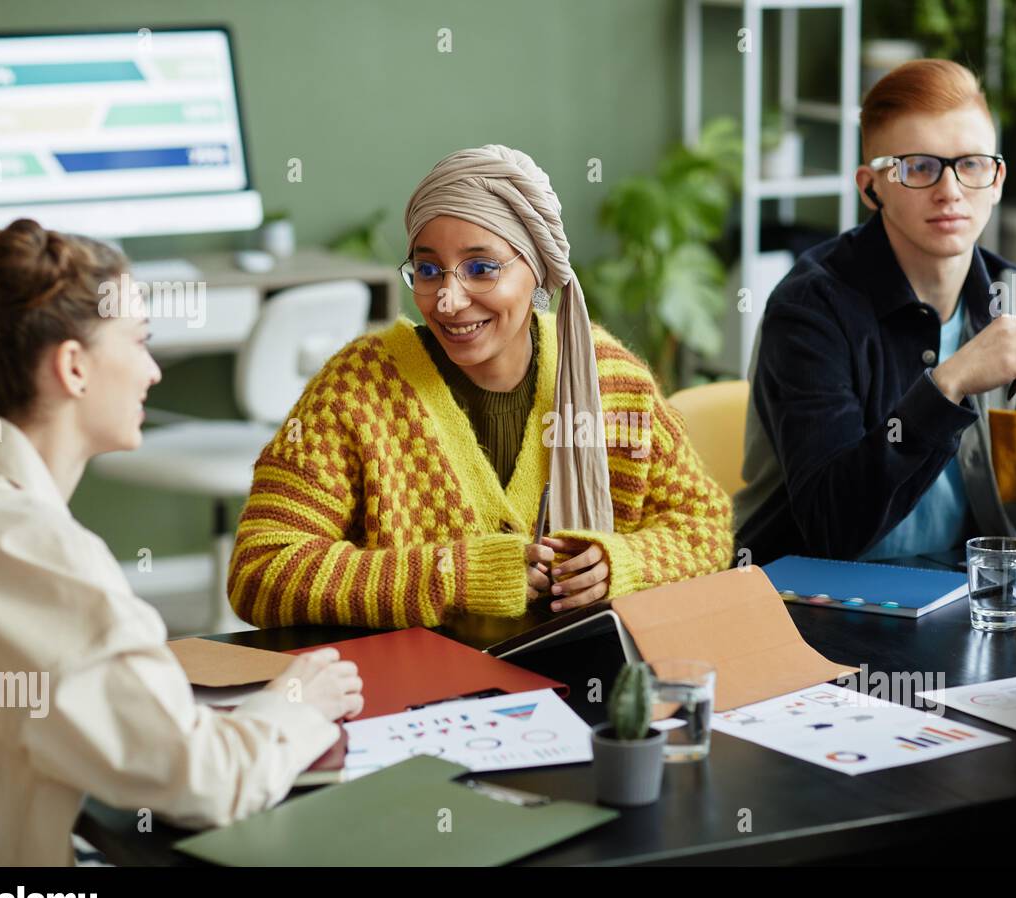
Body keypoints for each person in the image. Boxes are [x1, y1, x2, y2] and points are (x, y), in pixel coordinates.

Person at [0, 220, 363, 865]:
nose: (153, 371)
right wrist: (297, 701)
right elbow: (205, 782)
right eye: (141, 343)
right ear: (74, 367)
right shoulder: (40, 558)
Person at [227, 145, 733, 632]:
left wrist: (622, 563)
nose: (447, 300)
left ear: (536, 268)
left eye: (481, 269)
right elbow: (260, 569)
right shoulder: (357, 391)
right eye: (427, 270)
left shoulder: (614, 384)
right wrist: (454, 575)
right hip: (414, 703)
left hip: (577, 691)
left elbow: (706, 530)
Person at [734, 60, 1016, 565]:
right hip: (809, 610)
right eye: (919, 167)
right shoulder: (809, 311)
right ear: (871, 187)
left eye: (971, 164)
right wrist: (947, 386)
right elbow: (830, 528)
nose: (950, 190)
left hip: (972, 606)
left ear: (996, 180)